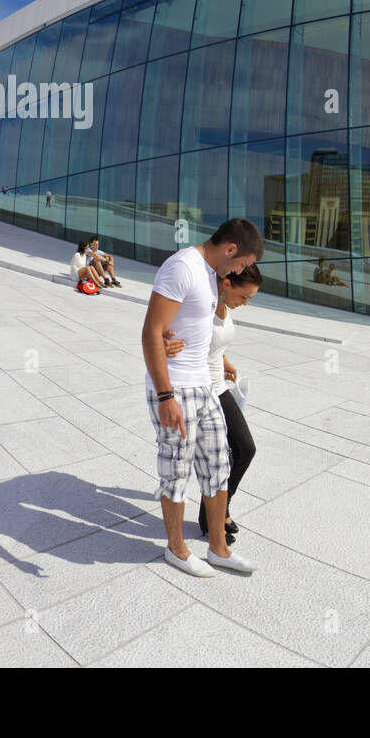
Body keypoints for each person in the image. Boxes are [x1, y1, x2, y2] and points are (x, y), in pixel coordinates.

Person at [140, 217, 264, 577]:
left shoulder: (211, 275)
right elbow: (150, 329)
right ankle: (177, 549)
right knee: (176, 469)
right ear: (230, 250)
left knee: (217, 466)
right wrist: (166, 396)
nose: (241, 271)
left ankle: (218, 548)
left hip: (204, 387)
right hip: (174, 388)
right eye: (242, 264)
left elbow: (189, 328)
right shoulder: (182, 267)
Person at [189, 265, 261, 543]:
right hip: (204, 390)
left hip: (220, 385)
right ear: (227, 284)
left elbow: (215, 344)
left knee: (244, 449)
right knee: (223, 456)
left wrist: (225, 360)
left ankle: (221, 509)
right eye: (244, 297)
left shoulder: (223, 306)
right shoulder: (203, 306)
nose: (244, 304)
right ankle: (212, 518)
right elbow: (178, 339)